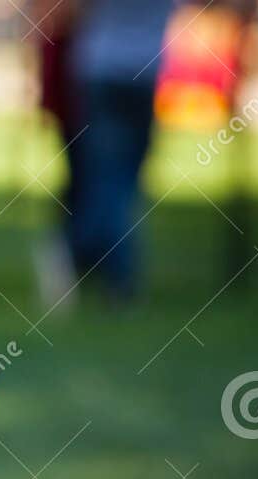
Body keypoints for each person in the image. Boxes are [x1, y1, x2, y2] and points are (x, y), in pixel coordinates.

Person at [61, 0, 177, 299]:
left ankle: (86, 253)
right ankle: (102, 261)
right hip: (143, 71)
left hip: (103, 71)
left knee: (108, 177)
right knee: (121, 179)